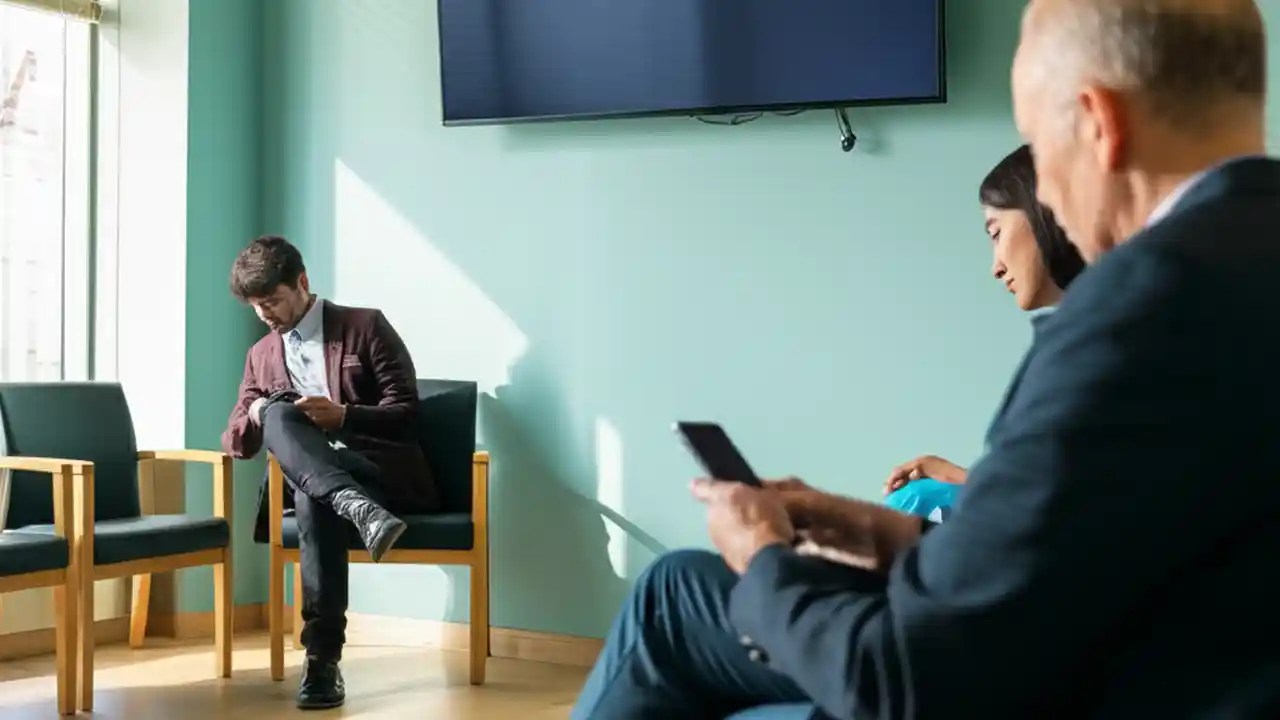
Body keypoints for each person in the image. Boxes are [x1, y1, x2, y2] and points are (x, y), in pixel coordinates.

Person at [571, 1, 1280, 718]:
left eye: (1039, 143)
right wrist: (854, 525)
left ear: (1098, 122)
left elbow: (908, 683)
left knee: (673, 599)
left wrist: (763, 559)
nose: (1052, 196)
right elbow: (1070, 557)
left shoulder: (1137, 315)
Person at [221, 236, 440, 710]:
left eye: (273, 301)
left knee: (308, 489)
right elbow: (236, 439)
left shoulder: (365, 327)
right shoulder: (262, 354)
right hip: (334, 493)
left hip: (382, 473)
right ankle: (349, 506)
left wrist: (343, 416)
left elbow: (407, 414)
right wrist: (259, 411)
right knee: (278, 420)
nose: (267, 316)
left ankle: (321, 659)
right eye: (258, 308)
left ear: (302, 282)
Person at [883, 145, 1086, 518]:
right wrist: (961, 478)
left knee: (909, 503)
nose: (996, 267)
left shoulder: (1093, 347)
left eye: (996, 234)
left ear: (1045, 211)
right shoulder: (1080, 335)